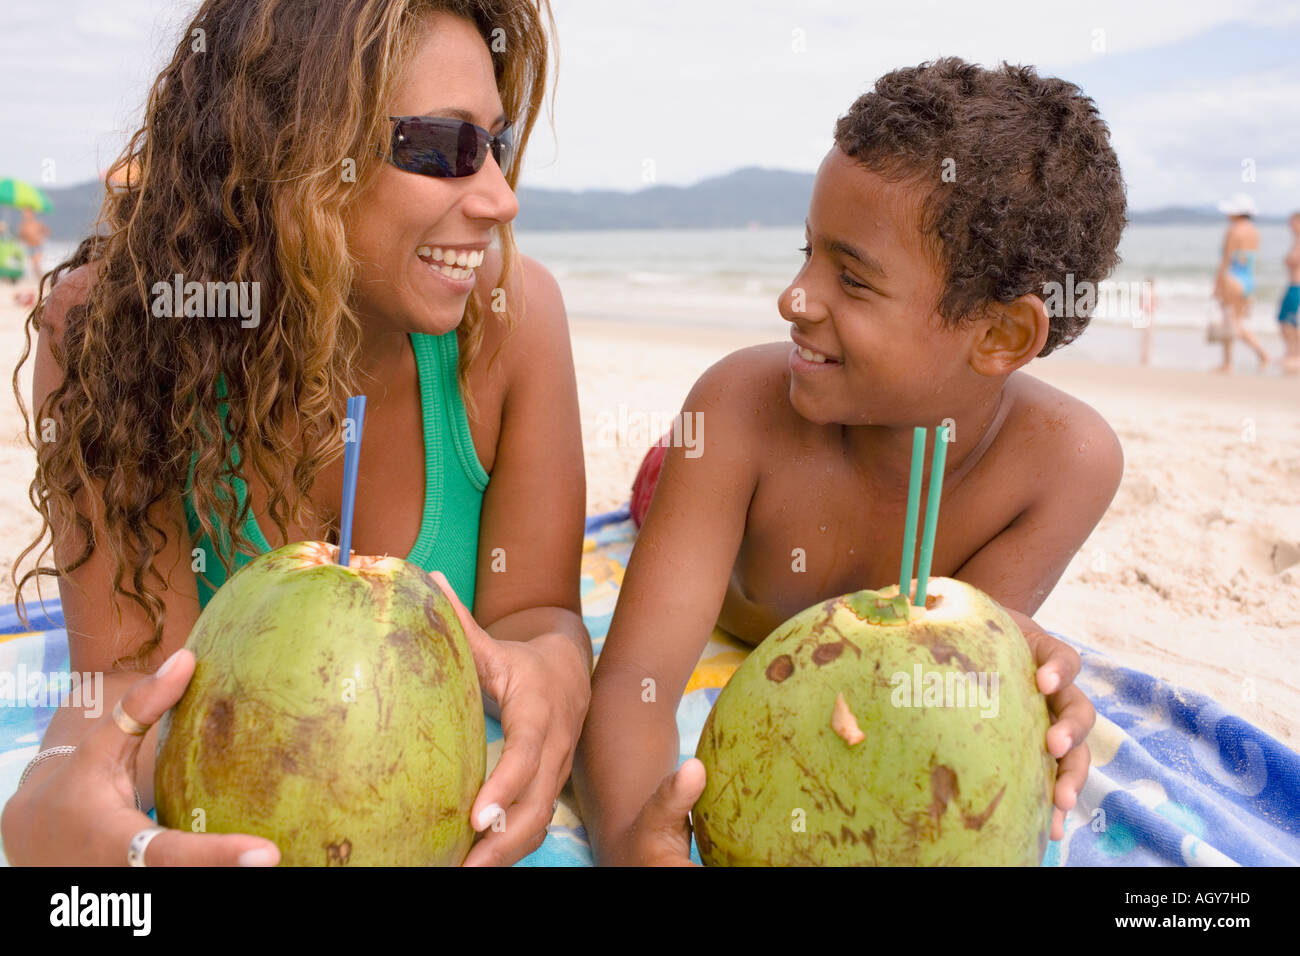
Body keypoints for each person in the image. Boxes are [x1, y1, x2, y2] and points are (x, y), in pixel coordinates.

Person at [2, 0, 591, 868]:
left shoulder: (513, 316)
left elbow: (536, 613)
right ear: (291, 151)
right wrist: (70, 792)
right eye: (444, 147)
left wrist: (555, 672)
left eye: (496, 146)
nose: (500, 199)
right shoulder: (112, 332)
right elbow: (131, 685)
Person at [575, 58, 1114, 866]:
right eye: (807, 252)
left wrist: (1016, 687)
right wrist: (629, 840)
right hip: (692, 490)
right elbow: (634, 681)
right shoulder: (738, 409)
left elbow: (949, 684)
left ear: (1000, 336)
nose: (794, 297)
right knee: (660, 482)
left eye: (852, 279)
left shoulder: (1064, 465)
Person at [1212, 193, 1268, 373]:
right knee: (1236, 321)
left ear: (1236, 213)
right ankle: (1231, 361)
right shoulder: (1254, 231)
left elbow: (1226, 259)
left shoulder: (1233, 230)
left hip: (1232, 277)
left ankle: (1239, 360)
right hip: (1247, 279)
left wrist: (1217, 283)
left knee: (1231, 322)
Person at [1278, 212, 1300, 374]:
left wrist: (1288, 259)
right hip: (1292, 284)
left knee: (1290, 322)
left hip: (1297, 286)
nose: (1290, 226)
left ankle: (1296, 354)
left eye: (1293, 223)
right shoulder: (1296, 241)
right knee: (1284, 320)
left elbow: (1293, 260)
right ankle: (1290, 352)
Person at [17, 208, 49, 282]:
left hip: (38, 245)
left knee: (36, 263)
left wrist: (41, 236)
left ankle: (42, 278)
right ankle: (40, 279)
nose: (25, 215)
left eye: (27, 213)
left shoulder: (37, 223)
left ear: (32, 214)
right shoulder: (23, 225)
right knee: (34, 265)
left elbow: (47, 231)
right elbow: (21, 236)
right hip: (30, 246)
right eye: (24, 214)